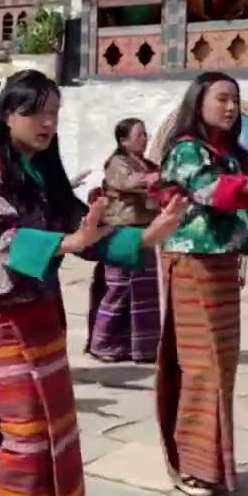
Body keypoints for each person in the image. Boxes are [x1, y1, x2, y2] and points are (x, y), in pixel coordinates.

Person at [0, 70, 188, 496]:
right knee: (23, 437)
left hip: (42, 314)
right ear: (9, 114)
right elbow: (6, 238)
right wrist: (70, 242)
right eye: (37, 111)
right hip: (2, 320)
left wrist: (148, 236)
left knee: (54, 433)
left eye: (55, 113)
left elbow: (86, 231)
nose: (47, 122)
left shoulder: (41, 171)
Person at [155, 71, 248, 496]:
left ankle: (211, 460)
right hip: (193, 262)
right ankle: (194, 463)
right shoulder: (186, 150)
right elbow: (210, 190)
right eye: (222, 99)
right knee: (202, 365)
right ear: (199, 103)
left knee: (221, 366)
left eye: (236, 99)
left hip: (222, 263)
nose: (231, 107)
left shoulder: (231, 152)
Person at [87, 117, 162, 363]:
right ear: (123, 140)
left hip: (144, 232)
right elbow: (127, 183)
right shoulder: (117, 163)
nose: (144, 138)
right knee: (119, 288)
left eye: (145, 134)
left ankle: (141, 347)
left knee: (144, 291)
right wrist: (154, 180)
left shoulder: (148, 164)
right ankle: (103, 343)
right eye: (139, 134)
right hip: (119, 231)